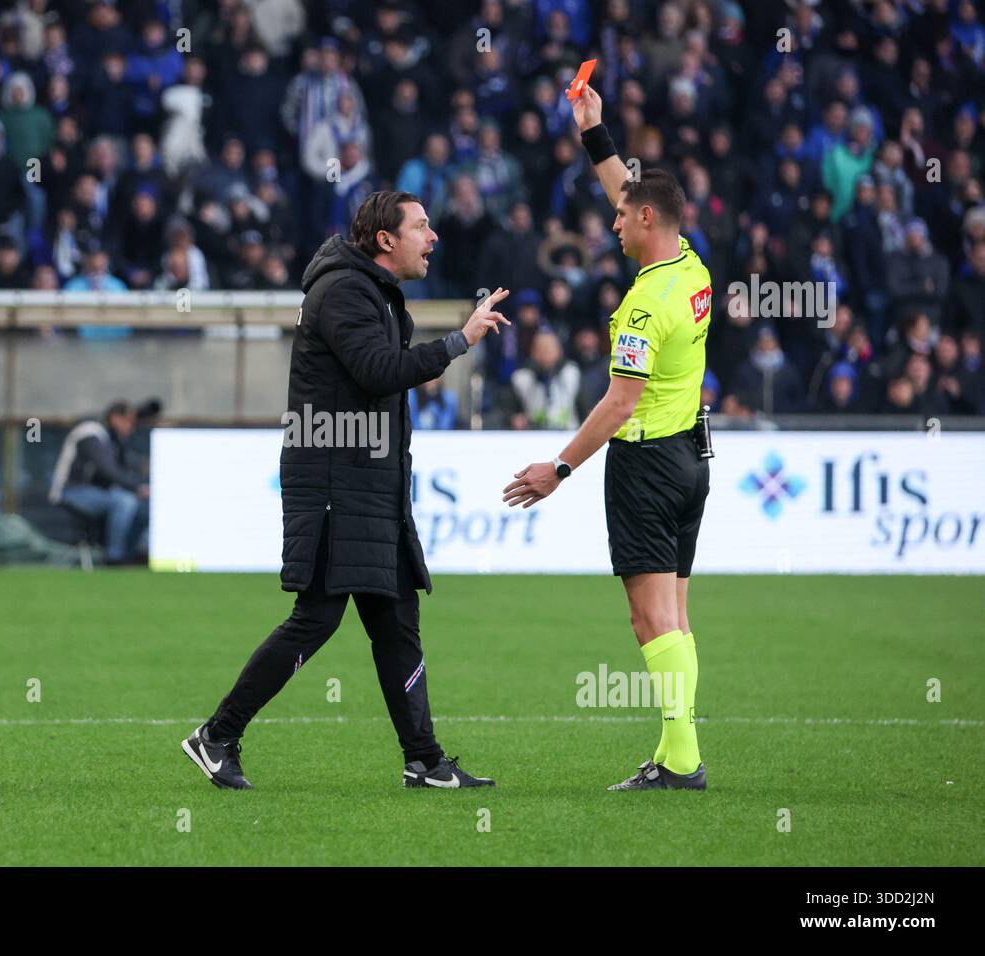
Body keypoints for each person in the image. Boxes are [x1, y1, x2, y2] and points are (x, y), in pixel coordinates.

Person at [182, 190, 508, 790]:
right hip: (334, 480)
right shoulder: (344, 291)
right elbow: (379, 372)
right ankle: (217, 735)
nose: (433, 237)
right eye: (422, 226)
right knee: (318, 617)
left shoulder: (368, 290)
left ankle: (425, 761)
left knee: (395, 620)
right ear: (386, 240)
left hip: (365, 480)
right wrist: (458, 342)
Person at [502, 85, 712, 791]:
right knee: (675, 615)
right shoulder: (690, 265)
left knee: (651, 622)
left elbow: (620, 403)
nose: (612, 223)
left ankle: (680, 761)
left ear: (647, 219)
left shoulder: (642, 307)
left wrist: (556, 470)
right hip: (691, 456)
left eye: (622, 216)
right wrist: (594, 134)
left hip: (648, 465)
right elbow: (634, 185)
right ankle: (678, 752)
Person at [48, 402, 149, 565]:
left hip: (92, 491)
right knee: (124, 501)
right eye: (129, 422)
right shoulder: (90, 432)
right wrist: (138, 487)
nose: (131, 428)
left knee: (140, 507)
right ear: (116, 419)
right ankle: (114, 558)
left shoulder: (111, 438)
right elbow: (107, 469)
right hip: (71, 491)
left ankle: (130, 555)